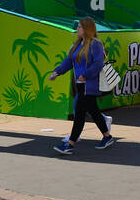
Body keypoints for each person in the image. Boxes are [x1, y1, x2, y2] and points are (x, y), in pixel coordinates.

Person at [49, 18, 115, 152]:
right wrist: (57, 72)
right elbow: (69, 61)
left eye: (79, 27)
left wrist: (86, 75)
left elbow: (98, 64)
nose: (77, 29)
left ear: (87, 29)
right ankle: (107, 136)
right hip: (80, 85)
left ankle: (70, 144)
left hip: (88, 85)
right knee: (94, 112)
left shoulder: (95, 44)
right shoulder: (78, 44)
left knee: (79, 114)